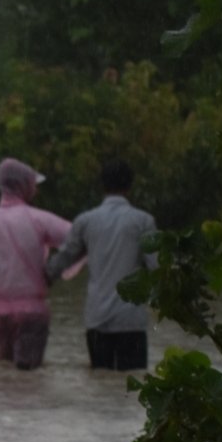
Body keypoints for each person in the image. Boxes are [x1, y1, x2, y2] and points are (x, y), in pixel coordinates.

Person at [0, 158, 72, 370]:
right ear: (24, 186)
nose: (35, 190)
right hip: (32, 313)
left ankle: (5, 404)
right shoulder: (40, 220)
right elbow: (77, 240)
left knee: (6, 372)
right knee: (29, 374)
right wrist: (54, 270)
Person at [44, 159, 157, 371]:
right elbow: (157, 266)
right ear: (130, 186)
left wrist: (45, 277)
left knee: (100, 382)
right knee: (132, 387)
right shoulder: (143, 221)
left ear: (102, 186)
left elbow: (65, 256)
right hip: (130, 319)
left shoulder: (86, 221)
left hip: (97, 318)